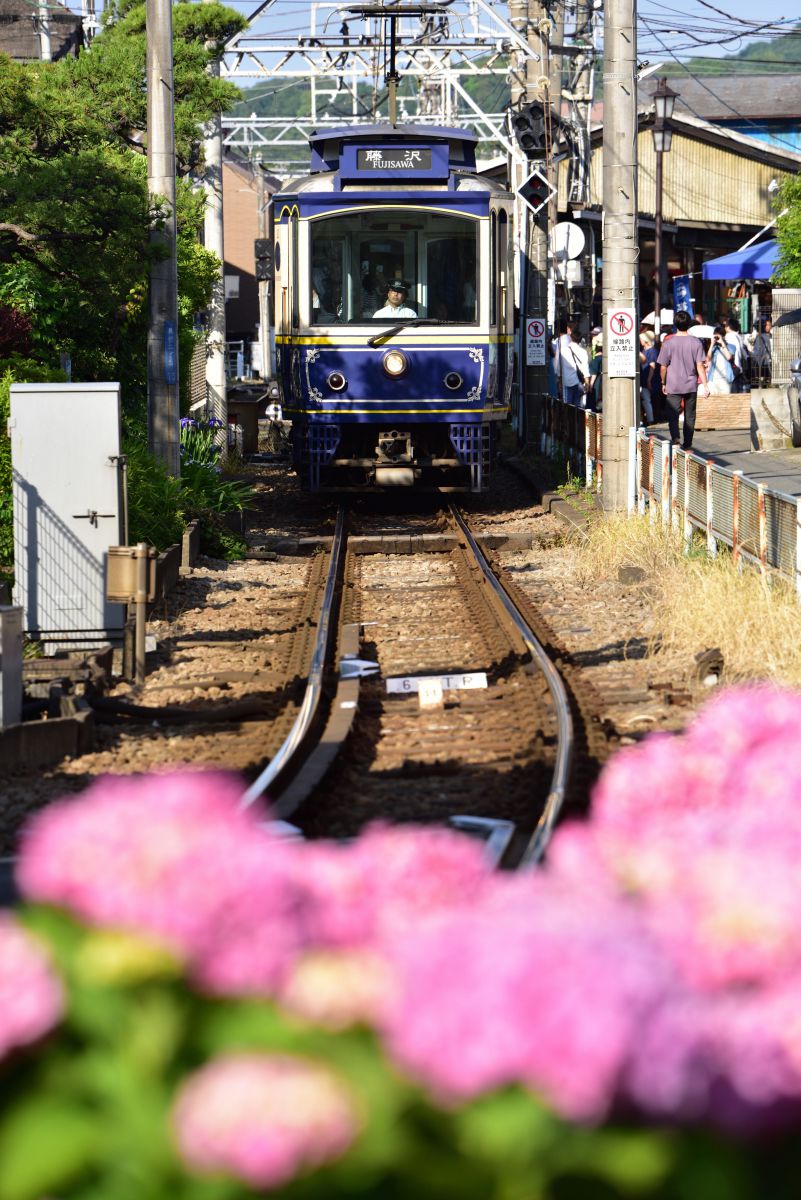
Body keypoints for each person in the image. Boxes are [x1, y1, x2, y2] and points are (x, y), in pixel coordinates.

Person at [657, 309, 710, 451]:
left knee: (673, 414)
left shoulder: (668, 342)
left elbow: (663, 366)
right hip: (691, 384)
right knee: (690, 415)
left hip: (673, 384)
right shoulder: (696, 342)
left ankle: (675, 439)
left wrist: (663, 382)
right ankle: (688, 443)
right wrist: (705, 385)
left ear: (675, 324)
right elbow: (700, 365)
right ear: (689, 324)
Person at [559, 328, 590, 407]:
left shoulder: (563, 350)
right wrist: (587, 383)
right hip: (579, 383)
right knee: (578, 407)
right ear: (580, 340)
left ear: (571, 338)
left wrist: (558, 381)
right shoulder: (583, 352)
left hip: (567, 382)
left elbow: (558, 368)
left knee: (567, 407)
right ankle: (578, 419)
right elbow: (585, 369)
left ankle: (568, 419)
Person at [705, 323, 738, 395]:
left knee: (725, 402)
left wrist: (723, 344)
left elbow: (729, 357)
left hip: (725, 379)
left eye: (718, 336)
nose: (717, 338)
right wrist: (711, 344)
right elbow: (707, 359)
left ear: (723, 336)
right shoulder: (714, 348)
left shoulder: (731, 347)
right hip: (713, 379)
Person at [722, 315, 749, 391]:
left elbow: (729, 352)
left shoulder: (728, 336)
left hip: (732, 367)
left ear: (728, 327)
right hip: (739, 367)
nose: (725, 328)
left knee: (732, 390)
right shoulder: (739, 337)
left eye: (725, 326)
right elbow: (744, 354)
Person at [639, 329, 657, 425]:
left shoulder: (652, 351)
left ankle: (650, 419)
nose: (640, 341)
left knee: (646, 399)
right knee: (645, 400)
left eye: (641, 339)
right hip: (643, 378)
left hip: (647, 379)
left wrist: (649, 380)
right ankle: (647, 419)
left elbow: (652, 367)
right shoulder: (644, 350)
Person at [749, 316, 772, 386]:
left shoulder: (760, 337)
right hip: (765, 364)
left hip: (761, 365)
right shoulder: (765, 336)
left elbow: (757, 353)